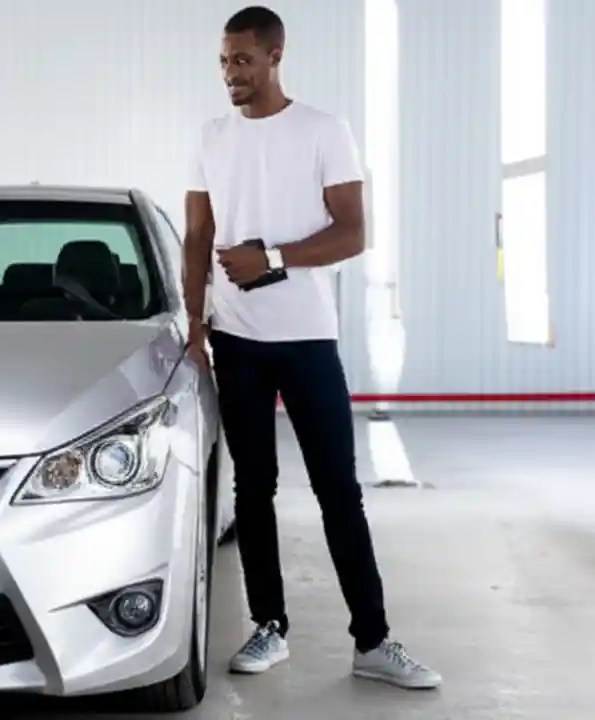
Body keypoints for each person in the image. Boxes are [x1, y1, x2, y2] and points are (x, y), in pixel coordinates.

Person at [182, 7, 441, 690]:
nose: (231, 73)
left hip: (307, 340)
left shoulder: (325, 130)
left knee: (338, 490)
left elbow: (353, 233)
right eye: (224, 62)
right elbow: (197, 236)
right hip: (236, 339)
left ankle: (373, 641)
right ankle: (268, 626)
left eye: (243, 59)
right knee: (253, 489)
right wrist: (195, 324)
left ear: (275, 55)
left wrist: (269, 258)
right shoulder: (211, 136)